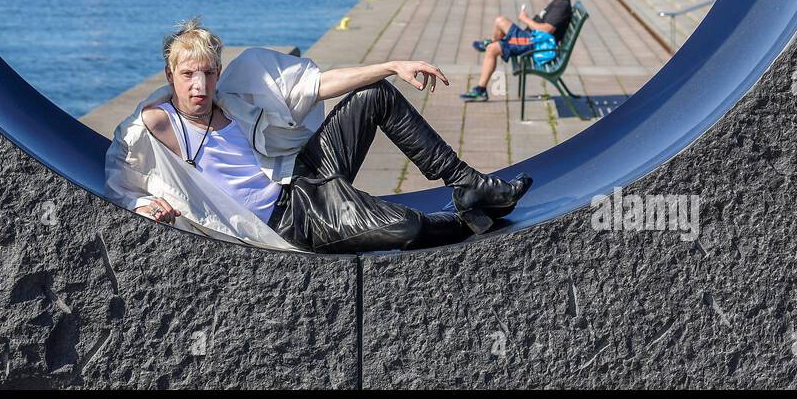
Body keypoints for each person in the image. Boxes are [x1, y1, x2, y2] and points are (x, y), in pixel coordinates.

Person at [106, 18, 532, 254]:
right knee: (405, 227)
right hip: (293, 222)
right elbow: (121, 181)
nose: (199, 85)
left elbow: (319, 84)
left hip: (303, 175)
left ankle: (468, 184)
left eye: (208, 73)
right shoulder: (153, 126)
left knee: (374, 94)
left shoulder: (236, 97)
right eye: (187, 75)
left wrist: (393, 66)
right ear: (170, 76)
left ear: (218, 72)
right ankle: (464, 220)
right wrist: (142, 205)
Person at [460, 0, 573, 102]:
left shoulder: (561, 6)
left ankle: (480, 90)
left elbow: (546, 30)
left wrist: (526, 19)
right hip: (530, 37)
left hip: (533, 43)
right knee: (500, 21)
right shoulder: (559, 3)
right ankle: (493, 42)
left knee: (492, 49)